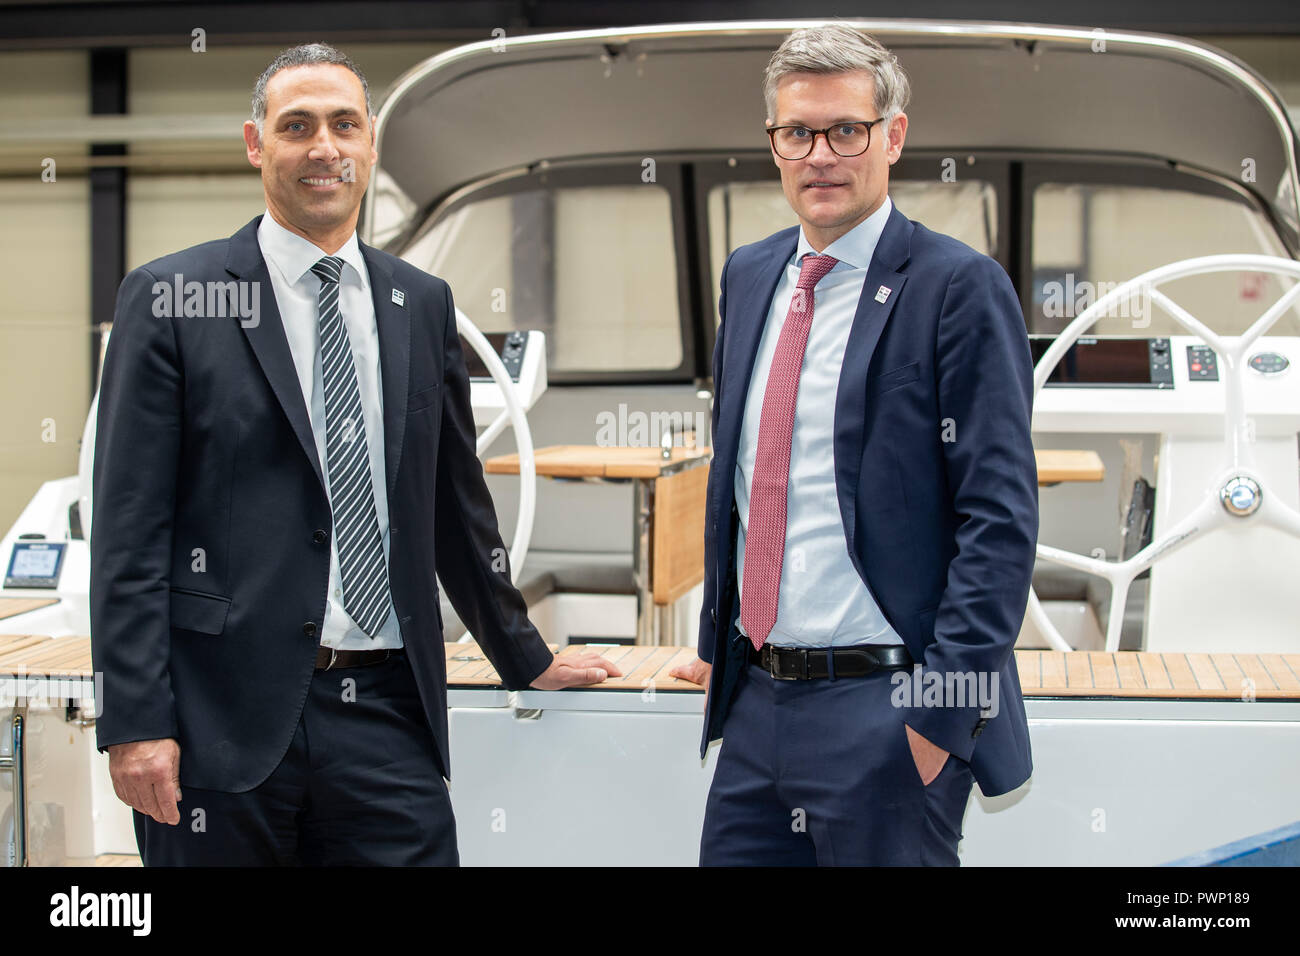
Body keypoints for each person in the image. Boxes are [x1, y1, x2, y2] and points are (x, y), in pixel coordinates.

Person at [89, 42, 619, 866]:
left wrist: (525, 656)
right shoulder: (174, 299)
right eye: (296, 126)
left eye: (343, 125)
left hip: (385, 708)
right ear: (256, 144)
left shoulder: (420, 303)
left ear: (371, 144)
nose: (323, 147)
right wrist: (135, 724)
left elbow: (454, 504)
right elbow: (127, 534)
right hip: (221, 721)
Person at [671, 24, 1038, 866]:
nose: (820, 155)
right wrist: (715, 644)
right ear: (774, 144)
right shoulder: (750, 273)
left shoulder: (957, 287)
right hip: (755, 708)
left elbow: (1001, 521)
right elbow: (744, 475)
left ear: (893, 136)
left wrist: (940, 721)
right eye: (797, 133)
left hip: (890, 708)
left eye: (846, 130)